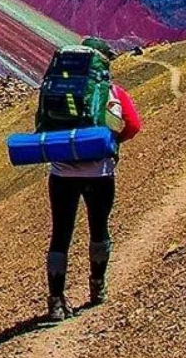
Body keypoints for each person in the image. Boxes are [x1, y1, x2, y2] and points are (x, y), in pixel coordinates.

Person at [45, 41, 141, 322]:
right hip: (100, 173)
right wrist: (111, 143)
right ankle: (97, 287)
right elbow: (133, 125)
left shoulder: (58, 87)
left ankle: (55, 301)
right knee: (99, 228)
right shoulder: (113, 92)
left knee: (61, 233)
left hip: (61, 174)